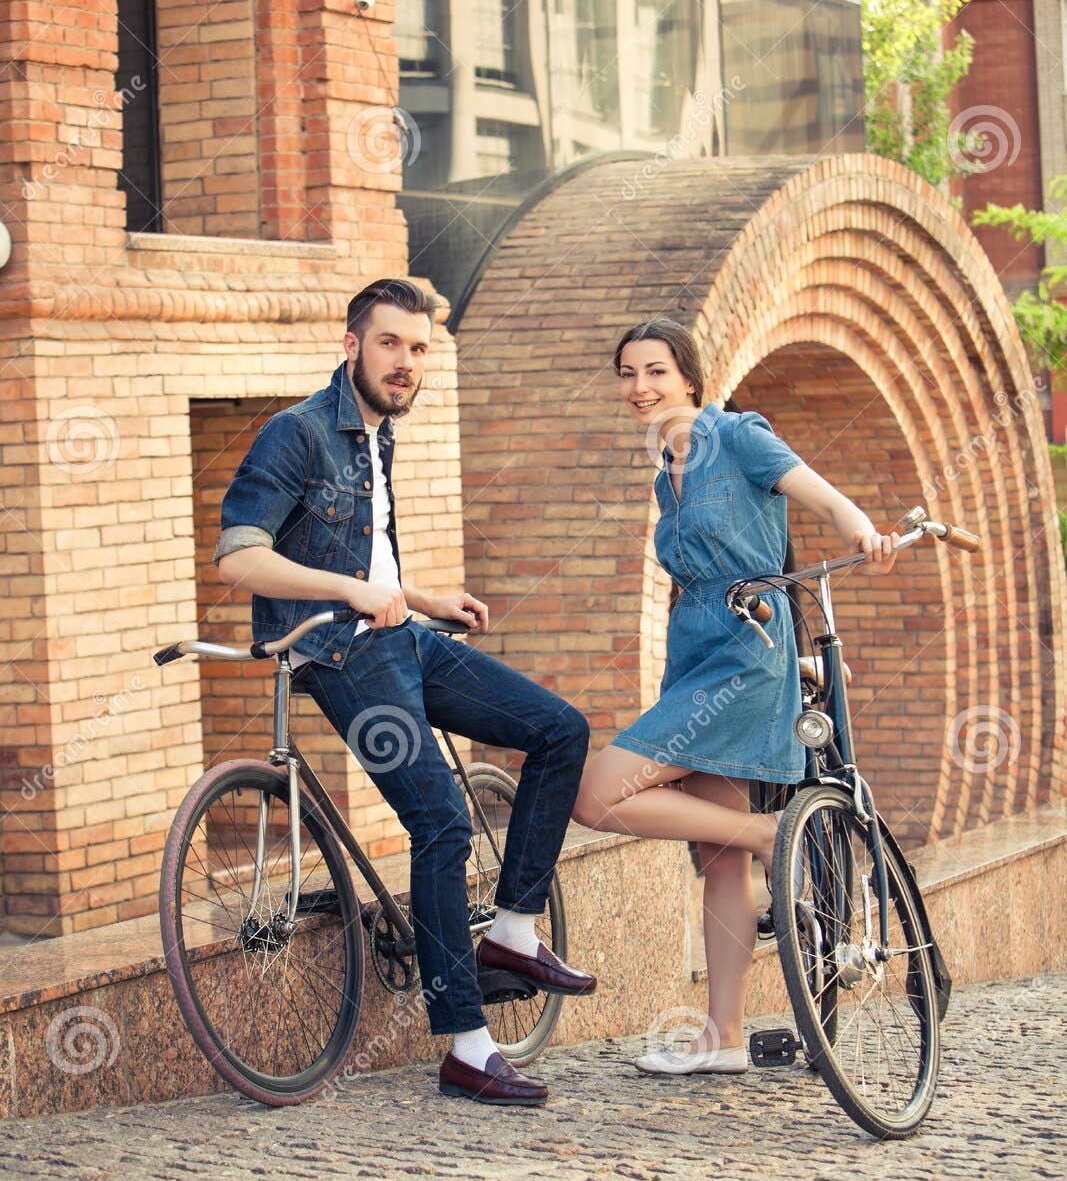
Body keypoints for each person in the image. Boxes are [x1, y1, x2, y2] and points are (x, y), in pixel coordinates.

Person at [213, 278, 594, 1107]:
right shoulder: (296, 435)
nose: (405, 363)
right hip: (343, 655)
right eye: (390, 344)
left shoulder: (377, 435)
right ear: (352, 345)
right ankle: (466, 1044)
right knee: (442, 820)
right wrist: (351, 597)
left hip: (403, 638)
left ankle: (513, 935)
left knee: (561, 730)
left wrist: (420, 597)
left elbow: (363, 561)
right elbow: (239, 557)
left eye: (418, 350)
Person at [572, 316, 894, 1076]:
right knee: (715, 850)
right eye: (626, 374)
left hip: (747, 651)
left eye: (654, 371)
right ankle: (721, 1035)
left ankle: (770, 835)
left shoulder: (739, 436)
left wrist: (863, 532)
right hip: (693, 653)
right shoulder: (665, 470)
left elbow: (817, 496)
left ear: (688, 377)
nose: (639, 387)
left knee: (598, 795)